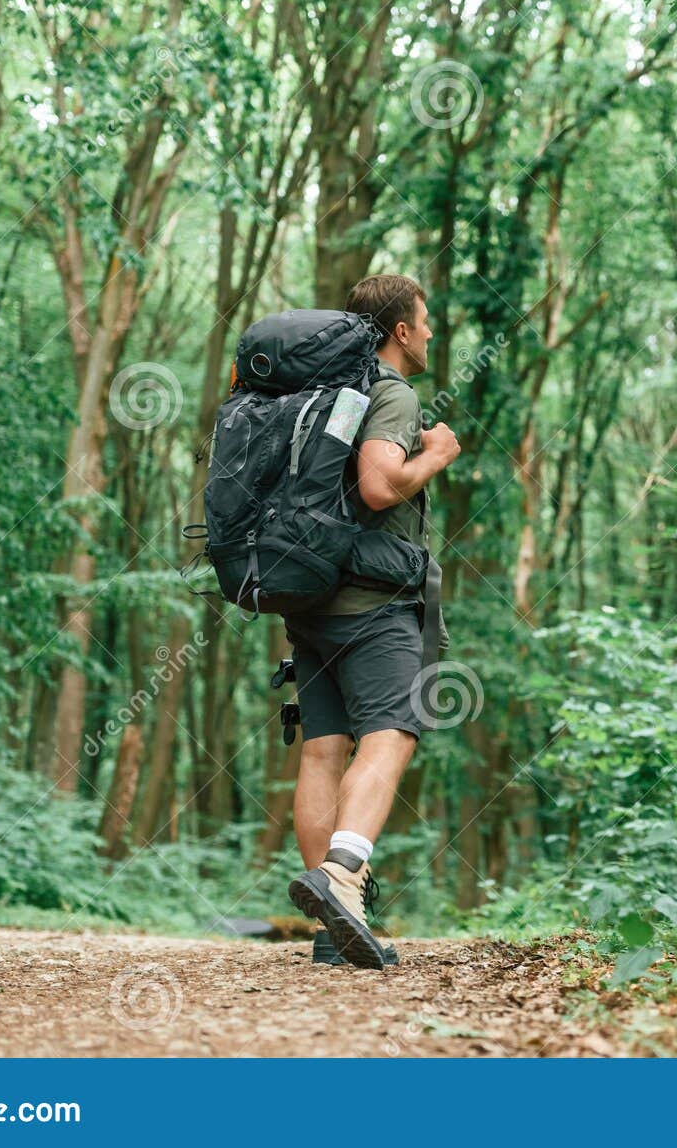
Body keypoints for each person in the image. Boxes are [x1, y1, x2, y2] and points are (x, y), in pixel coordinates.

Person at [285, 275, 461, 969]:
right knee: (391, 734)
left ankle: (333, 928)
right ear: (400, 331)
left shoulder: (315, 393)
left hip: (306, 595)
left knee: (324, 747)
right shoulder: (390, 391)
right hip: (373, 600)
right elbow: (380, 484)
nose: (430, 332)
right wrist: (438, 455)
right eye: (425, 319)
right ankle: (342, 875)